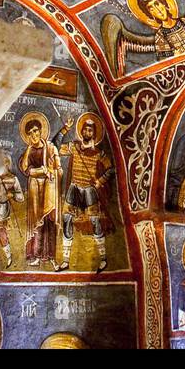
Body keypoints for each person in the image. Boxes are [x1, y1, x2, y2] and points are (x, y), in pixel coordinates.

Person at [52, 114, 114, 272]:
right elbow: (55, 147)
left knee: (95, 221)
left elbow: (111, 168)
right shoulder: (74, 147)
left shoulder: (98, 153)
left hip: (89, 190)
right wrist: (65, 129)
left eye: (90, 131)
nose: (87, 133)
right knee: (67, 219)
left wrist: (100, 181)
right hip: (74, 188)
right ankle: (66, 261)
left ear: (93, 134)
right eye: (85, 130)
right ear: (81, 132)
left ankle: (103, 259)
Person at [19, 114, 61, 267]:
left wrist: (50, 170)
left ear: (41, 132)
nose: (34, 135)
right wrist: (30, 150)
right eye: (30, 133)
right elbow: (25, 169)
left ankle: (51, 257)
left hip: (49, 188)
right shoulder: (28, 151)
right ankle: (36, 255)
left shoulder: (49, 147)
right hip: (35, 190)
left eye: (36, 131)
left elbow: (57, 167)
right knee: (37, 222)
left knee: (49, 221)